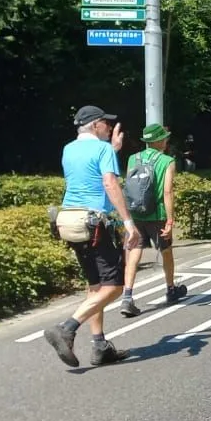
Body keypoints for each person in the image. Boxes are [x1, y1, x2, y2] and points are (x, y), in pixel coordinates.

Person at [42, 106, 140, 367]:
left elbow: (88, 175)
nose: (109, 128)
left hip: (70, 221)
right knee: (114, 286)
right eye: (106, 124)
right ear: (95, 125)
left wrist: (113, 150)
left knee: (95, 285)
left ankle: (100, 345)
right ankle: (67, 328)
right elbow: (109, 183)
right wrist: (129, 223)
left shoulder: (69, 149)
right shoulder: (102, 149)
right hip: (95, 224)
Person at [118, 124, 185, 318]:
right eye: (163, 138)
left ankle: (127, 296)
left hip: (136, 213)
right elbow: (167, 191)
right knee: (166, 251)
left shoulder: (133, 158)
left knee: (134, 252)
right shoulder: (167, 161)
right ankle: (171, 289)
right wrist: (171, 221)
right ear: (156, 141)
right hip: (158, 215)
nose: (166, 141)